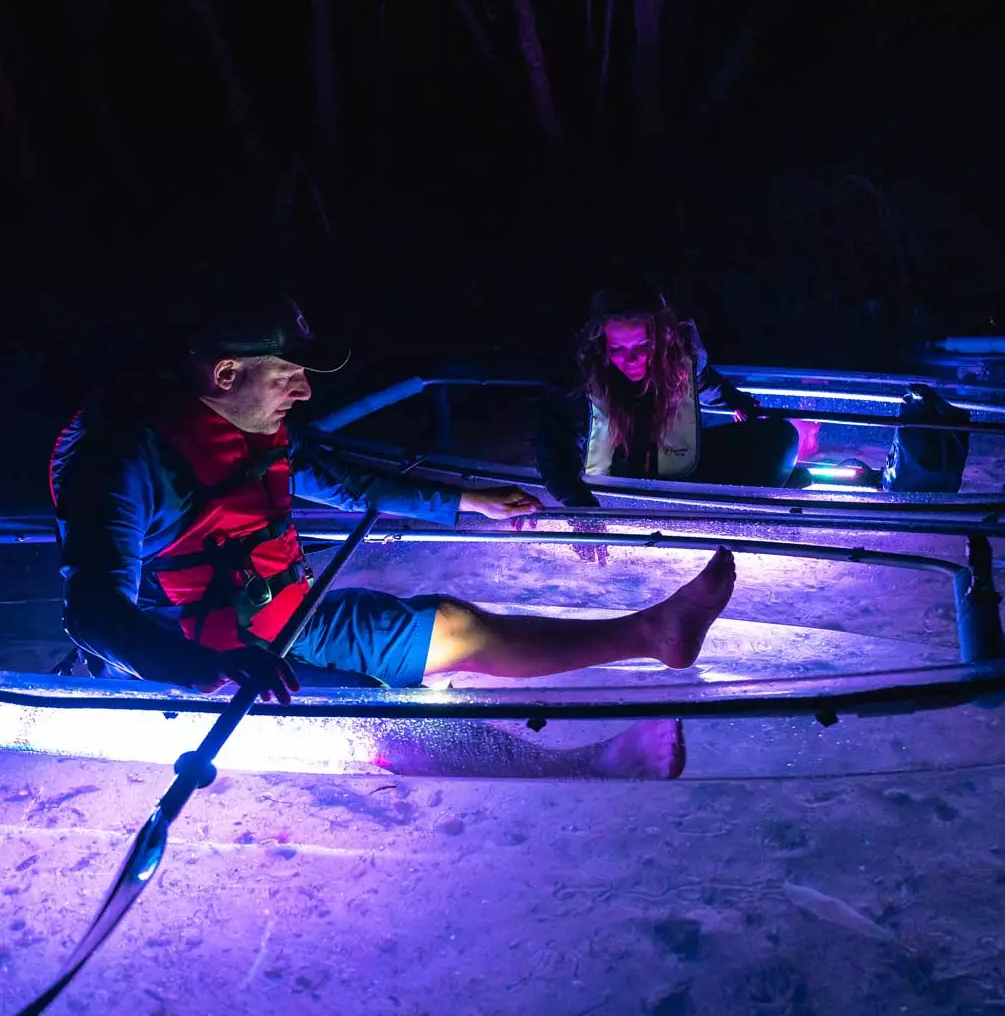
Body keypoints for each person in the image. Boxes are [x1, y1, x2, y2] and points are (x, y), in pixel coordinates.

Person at [48, 285, 738, 718]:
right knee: (387, 714)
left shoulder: (249, 419)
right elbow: (94, 610)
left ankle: (653, 633)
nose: (305, 393)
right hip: (209, 658)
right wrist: (200, 671)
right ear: (226, 372)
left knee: (456, 625)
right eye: (289, 376)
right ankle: (591, 763)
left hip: (290, 614)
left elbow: (342, 480)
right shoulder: (118, 454)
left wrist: (464, 499)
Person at [536, 282, 804, 511]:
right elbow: (555, 450)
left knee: (783, 437)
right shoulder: (579, 382)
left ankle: (763, 501)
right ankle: (760, 506)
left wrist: (735, 400)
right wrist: (581, 504)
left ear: (661, 339)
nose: (630, 360)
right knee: (792, 476)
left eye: (641, 346)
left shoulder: (679, 357)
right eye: (617, 349)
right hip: (622, 484)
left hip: (676, 468)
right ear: (602, 343)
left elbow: (703, 381)